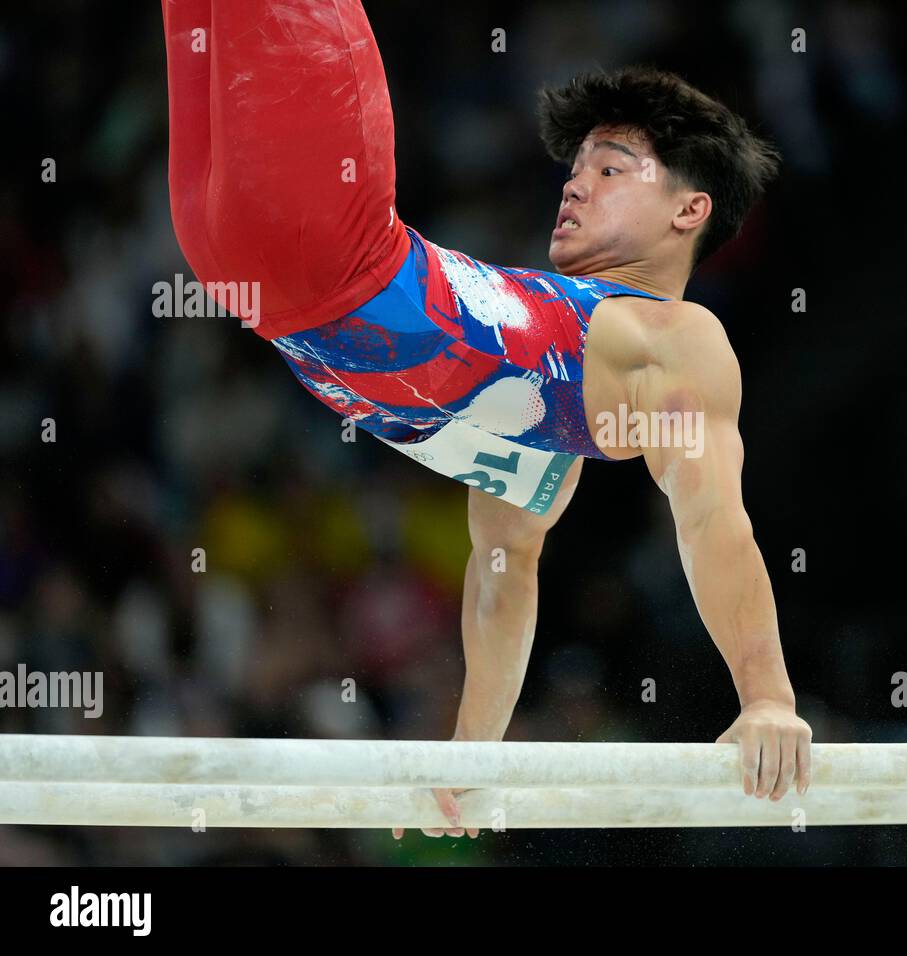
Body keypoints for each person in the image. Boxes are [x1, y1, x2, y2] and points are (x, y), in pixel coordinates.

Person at [161, 0, 812, 839]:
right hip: (314, 240)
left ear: (689, 212)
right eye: (576, 166)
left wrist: (766, 698)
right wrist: (476, 758)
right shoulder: (565, 359)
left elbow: (666, 531)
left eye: (611, 169)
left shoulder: (672, 341)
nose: (575, 182)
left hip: (240, 252)